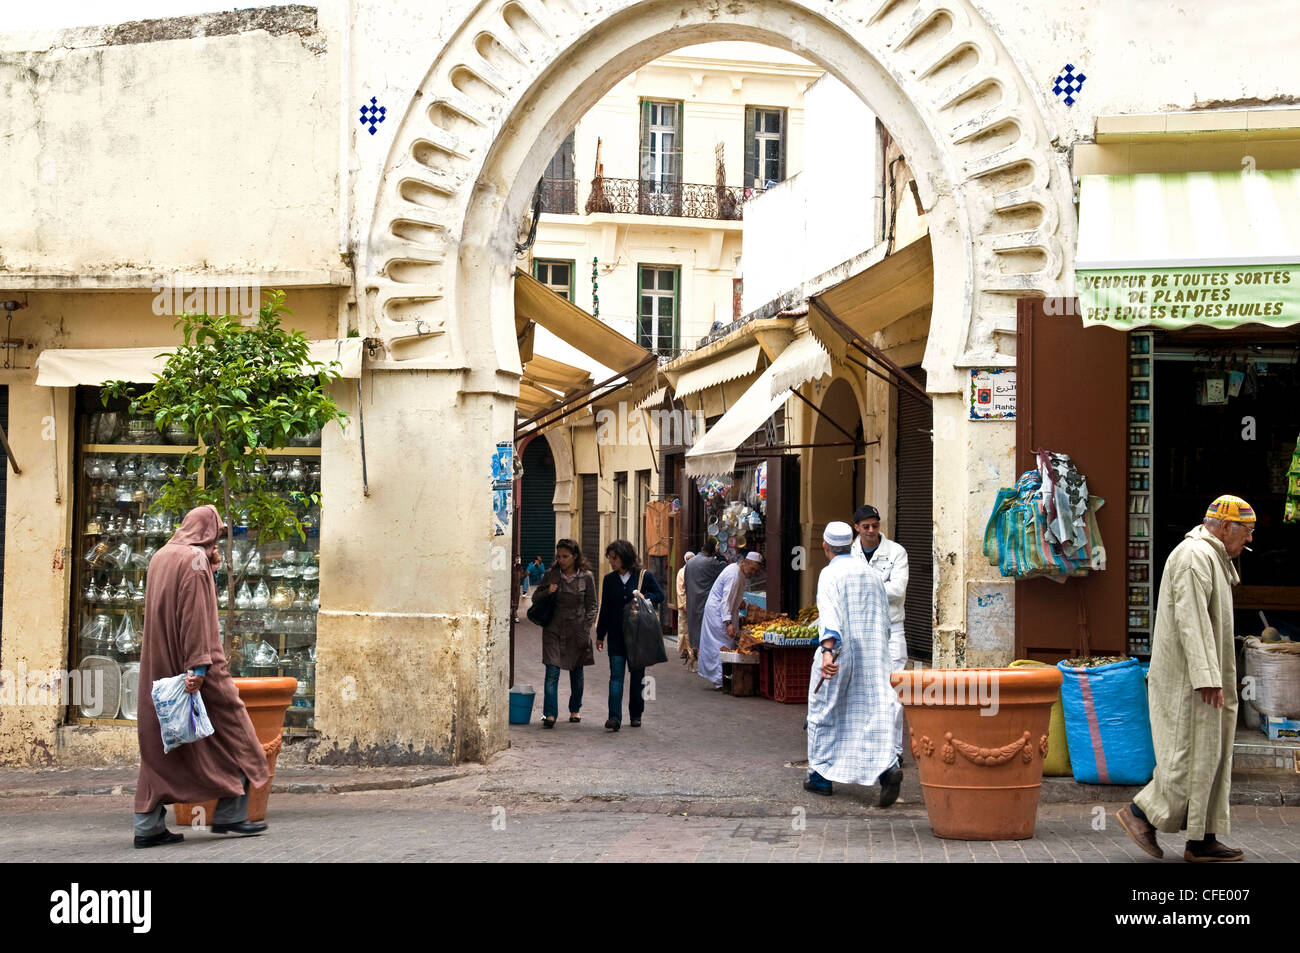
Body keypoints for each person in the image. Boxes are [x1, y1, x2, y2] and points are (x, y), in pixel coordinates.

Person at [1117, 495, 1254, 863]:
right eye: (1247, 531)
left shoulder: (1214, 556)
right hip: (1190, 680)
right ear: (1225, 527)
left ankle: (1201, 840)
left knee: (1211, 757)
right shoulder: (1194, 556)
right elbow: (1191, 622)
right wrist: (1206, 676)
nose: (1250, 540)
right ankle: (1139, 813)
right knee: (1186, 757)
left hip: (1208, 676)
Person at [133, 504, 270, 848]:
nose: (217, 544)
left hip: (160, 666)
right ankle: (230, 813)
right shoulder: (193, 562)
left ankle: (147, 825)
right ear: (207, 531)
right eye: (217, 536)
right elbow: (194, 617)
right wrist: (197, 669)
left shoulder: (161, 555)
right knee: (237, 732)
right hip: (199, 667)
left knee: (160, 745)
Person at [804, 521, 903, 806]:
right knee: (871, 714)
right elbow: (886, 620)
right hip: (874, 656)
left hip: (839, 654)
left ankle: (820, 777)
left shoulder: (829, 574)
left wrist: (826, 652)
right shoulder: (871, 575)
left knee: (825, 709)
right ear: (851, 543)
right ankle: (887, 770)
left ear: (825, 546)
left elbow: (830, 616)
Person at [851, 504, 910, 758]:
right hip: (862, 630)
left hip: (892, 629)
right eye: (866, 527)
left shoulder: (896, 552)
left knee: (894, 690)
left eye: (875, 525)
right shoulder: (849, 553)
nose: (872, 530)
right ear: (857, 528)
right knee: (862, 690)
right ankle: (867, 747)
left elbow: (898, 589)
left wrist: (864, 588)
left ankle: (894, 750)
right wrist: (879, 585)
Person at [595, 539, 665, 731]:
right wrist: (601, 635)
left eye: (614, 558)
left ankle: (636, 714)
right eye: (609, 558)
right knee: (616, 676)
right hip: (616, 636)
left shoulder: (643, 577)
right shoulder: (609, 580)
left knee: (637, 677)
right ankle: (614, 717)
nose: (611, 561)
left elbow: (660, 595)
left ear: (624, 557)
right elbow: (605, 608)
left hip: (638, 637)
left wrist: (645, 597)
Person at [537, 539, 597, 728]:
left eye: (565, 556)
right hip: (553, 630)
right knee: (552, 670)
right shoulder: (551, 575)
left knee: (576, 672)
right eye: (559, 557)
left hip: (577, 630)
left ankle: (575, 709)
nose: (561, 560)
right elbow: (535, 597)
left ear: (575, 556)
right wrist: (548, 591)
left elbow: (592, 605)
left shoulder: (586, 577)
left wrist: (586, 629)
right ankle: (550, 714)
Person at [697, 552, 764, 689]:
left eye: (756, 571)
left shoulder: (739, 572)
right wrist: (728, 623)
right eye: (753, 569)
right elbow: (726, 600)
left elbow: (733, 595)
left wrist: (740, 602)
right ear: (746, 562)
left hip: (721, 611)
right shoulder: (734, 574)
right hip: (718, 613)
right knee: (722, 645)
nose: (753, 572)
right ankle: (720, 680)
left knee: (725, 643)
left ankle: (723, 678)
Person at [683, 537, 727, 671]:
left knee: (694, 629)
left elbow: (686, 581)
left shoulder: (690, 563)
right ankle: (703, 662)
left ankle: (693, 655)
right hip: (705, 602)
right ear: (712, 551)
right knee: (705, 631)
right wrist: (719, 554)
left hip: (692, 601)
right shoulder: (711, 563)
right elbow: (725, 567)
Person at [675, 551, 695, 662]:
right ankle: (685, 650)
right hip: (686, 605)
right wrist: (684, 604)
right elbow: (680, 590)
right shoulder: (682, 572)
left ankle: (692, 650)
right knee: (684, 628)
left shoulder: (696, 571)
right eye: (688, 558)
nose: (690, 560)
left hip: (695, 604)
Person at [511, 555, 525, 623]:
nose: (517, 560)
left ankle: (515, 613)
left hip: (517, 586)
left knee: (516, 599)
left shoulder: (520, 567)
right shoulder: (511, 566)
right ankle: (513, 614)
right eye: (516, 558)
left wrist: (526, 574)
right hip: (512, 586)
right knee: (512, 599)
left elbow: (522, 576)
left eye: (518, 559)